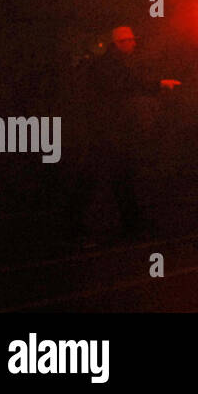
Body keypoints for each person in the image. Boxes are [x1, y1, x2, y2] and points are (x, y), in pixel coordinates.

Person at [66, 26, 159, 243]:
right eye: (130, 41)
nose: (134, 44)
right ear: (120, 43)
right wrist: (157, 85)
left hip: (108, 128)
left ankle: (130, 221)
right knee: (100, 174)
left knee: (115, 174)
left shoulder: (111, 63)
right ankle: (73, 220)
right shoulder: (110, 65)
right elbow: (127, 85)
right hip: (107, 130)